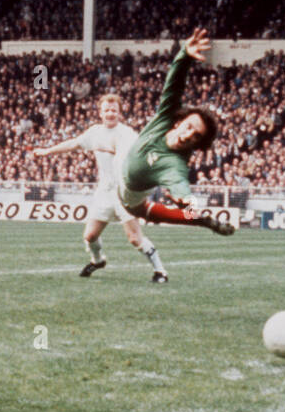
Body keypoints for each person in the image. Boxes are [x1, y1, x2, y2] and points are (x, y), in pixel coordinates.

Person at [32, 93, 169, 283]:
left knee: (135, 239)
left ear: (120, 113)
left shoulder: (127, 134)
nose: (110, 114)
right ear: (100, 112)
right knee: (90, 235)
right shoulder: (95, 132)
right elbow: (74, 144)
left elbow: (131, 159)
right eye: (107, 110)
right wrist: (47, 151)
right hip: (104, 192)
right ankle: (98, 261)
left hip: (124, 193)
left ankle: (160, 271)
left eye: (114, 110)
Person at [117, 28, 235, 237]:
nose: (190, 134)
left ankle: (199, 219)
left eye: (197, 136)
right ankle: (197, 217)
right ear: (178, 122)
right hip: (118, 169)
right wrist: (184, 55)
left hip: (131, 199)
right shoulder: (166, 117)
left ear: (197, 144)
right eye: (189, 127)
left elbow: (180, 184)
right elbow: (174, 84)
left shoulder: (175, 164)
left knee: (153, 216)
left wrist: (186, 201)